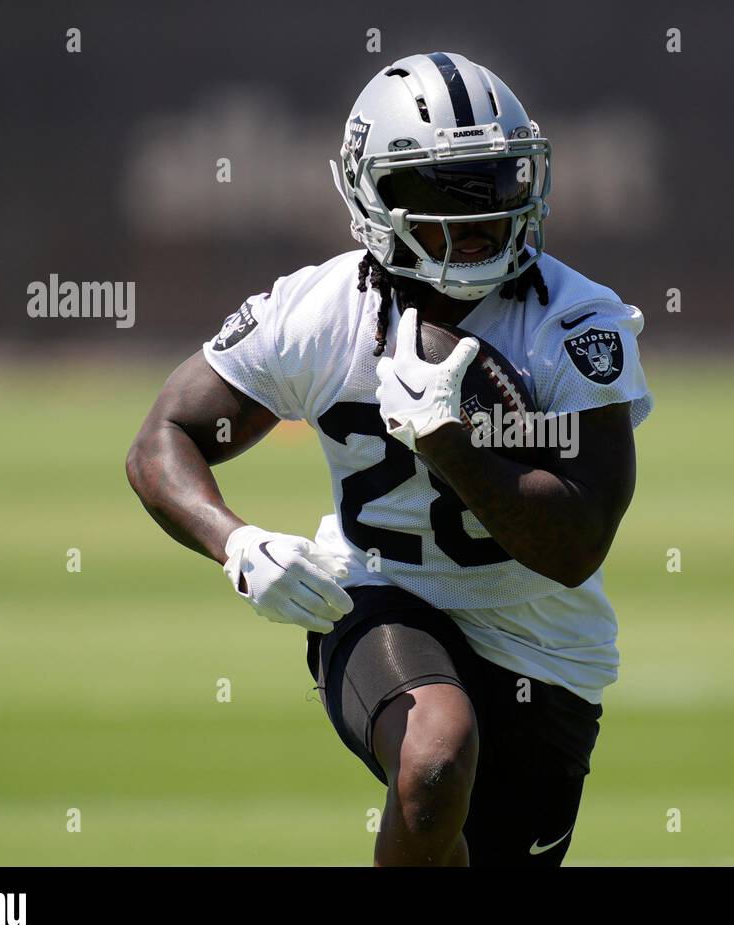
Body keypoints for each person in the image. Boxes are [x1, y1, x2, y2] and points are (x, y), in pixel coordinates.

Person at [126, 51, 653, 866]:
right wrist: (233, 543)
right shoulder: (322, 310)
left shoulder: (575, 324)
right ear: (373, 197)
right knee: (435, 754)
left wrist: (452, 445)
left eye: (497, 181)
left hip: (542, 647)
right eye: (445, 190)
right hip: (378, 593)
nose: (481, 214)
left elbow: (575, 546)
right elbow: (164, 437)